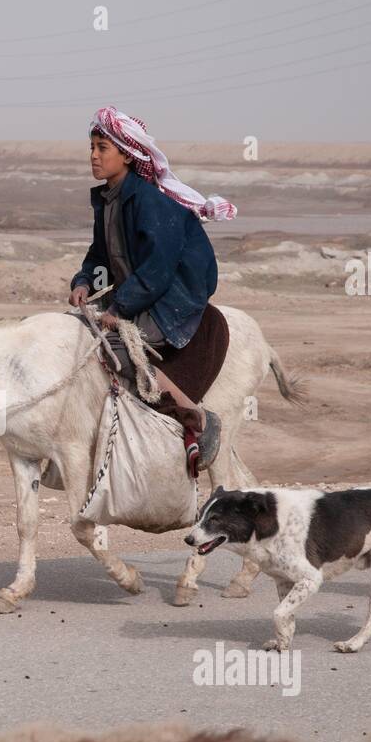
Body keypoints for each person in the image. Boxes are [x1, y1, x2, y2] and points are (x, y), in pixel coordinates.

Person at [69, 105, 236, 473]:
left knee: (117, 348)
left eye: (102, 148)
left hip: (171, 299)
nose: (94, 156)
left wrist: (119, 309)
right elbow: (100, 256)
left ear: (127, 155)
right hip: (137, 293)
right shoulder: (109, 200)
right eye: (92, 148)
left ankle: (198, 419)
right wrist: (84, 282)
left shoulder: (150, 202)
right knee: (71, 330)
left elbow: (158, 269)